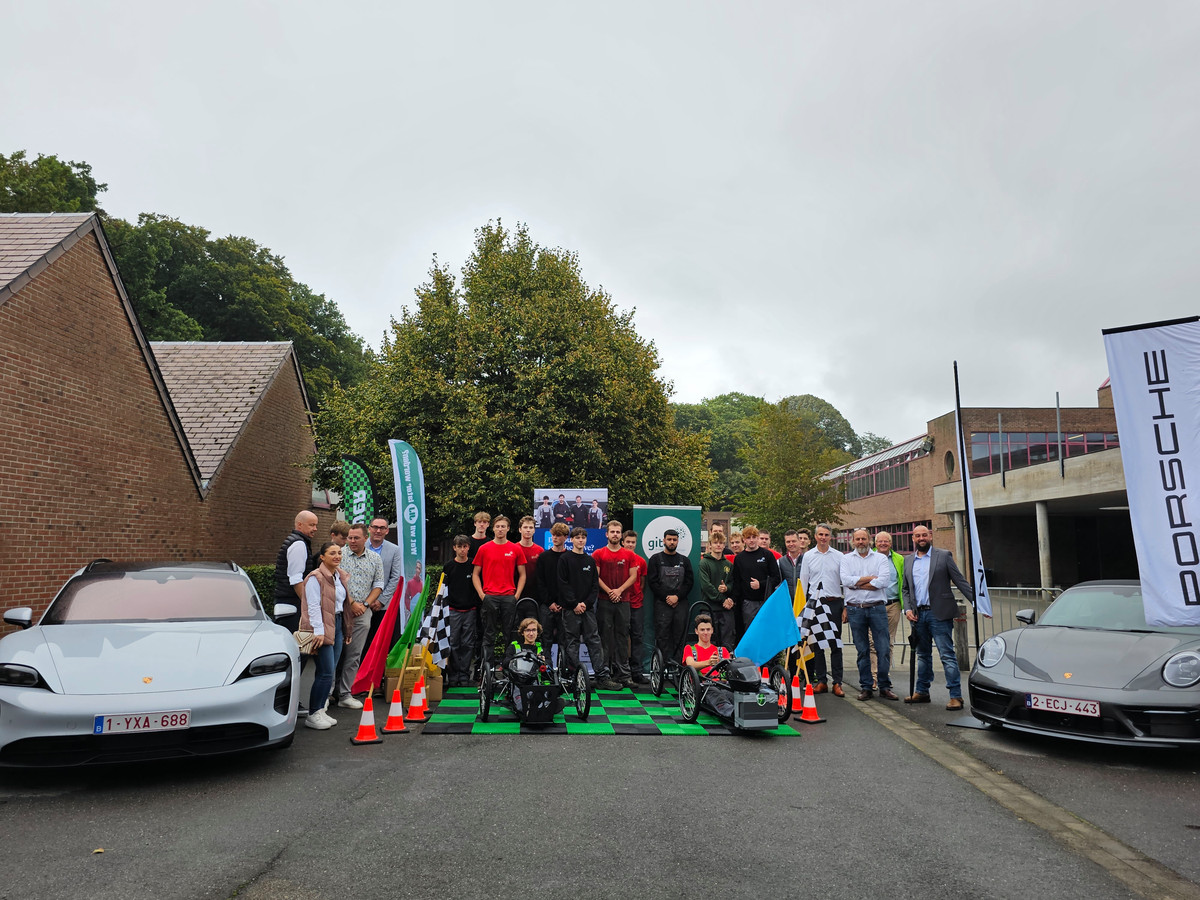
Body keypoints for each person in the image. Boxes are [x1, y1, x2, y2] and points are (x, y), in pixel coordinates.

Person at [902, 525, 974, 710]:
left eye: (924, 535)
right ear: (913, 539)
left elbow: (960, 581)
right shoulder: (908, 560)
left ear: (930, 536)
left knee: (947, 655)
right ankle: (922, 691)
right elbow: (905, 589)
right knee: (923, 656)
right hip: (918, 616)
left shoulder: (943, 556)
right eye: (917, 536)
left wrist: (979, 603)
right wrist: (907, 609)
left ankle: (956, 696)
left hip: (939, 613)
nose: (921, 538)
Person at [558, 527, 622, 691]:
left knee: (594, 641)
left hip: (587, 610)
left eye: (583, 537)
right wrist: (574, 604)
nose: (580, 540)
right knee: (571, 642)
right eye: (577, 537)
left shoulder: (589, 560)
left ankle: (602, 677)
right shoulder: (565, 559)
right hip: (570, 609)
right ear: (571, 540)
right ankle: (574, 677)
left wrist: (586, 603)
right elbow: (563, 585)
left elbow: (595, 586)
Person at [300, 541, 353, 730]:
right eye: (332, 553)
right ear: (322, 557)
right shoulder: (316, 577)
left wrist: (346, 630)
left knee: (328, 672)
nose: (337, 556)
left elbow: (343, 605)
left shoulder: (339, 576)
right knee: (325, 672)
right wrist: (319, 632)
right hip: (322, 628)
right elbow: (313, 606)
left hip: (337, 625)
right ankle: (313, 713)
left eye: (339, 552)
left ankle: (321, 710)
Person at [840, 528, 898, 701]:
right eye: (857, 539)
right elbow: (845, 581)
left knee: (883, 648)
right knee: (862, 650)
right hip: (855, 609)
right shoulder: (846, 559)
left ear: (869, 540)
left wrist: (857, 583)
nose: (860, 542)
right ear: (852, 541)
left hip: (876, 608)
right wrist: (869, 579)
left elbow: (884, 582)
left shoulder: (880, 558)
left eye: (863, 539)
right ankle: (866, 686)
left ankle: (884, 686)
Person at [334, 523, 384, 709]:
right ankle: (328, 694)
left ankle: (345, 694)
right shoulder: (338, 554)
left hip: (363, 612)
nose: (352, 541)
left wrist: (363, 604)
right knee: (335, 654)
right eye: (350, 538)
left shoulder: (375, 558)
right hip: (339, 610)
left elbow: (378, 584)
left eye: (356, 538)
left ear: (365, 538)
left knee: (354, 654)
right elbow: (334, 582)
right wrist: (351, 603)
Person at [799, 523, 846, 697]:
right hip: (815, 604)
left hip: (834, 603)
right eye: (820, 534)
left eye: (826, 535)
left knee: (835, 644)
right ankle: (821, 681)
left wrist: (845, 606)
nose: (823, 537)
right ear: (816, 536)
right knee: (817, 643)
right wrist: (804, 607)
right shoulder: (808, 556)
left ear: (830, 537)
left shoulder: (840, 556)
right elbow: (804, 582)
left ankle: (837, 682)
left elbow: (845, 582)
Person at [473, 515, 526, 665]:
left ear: (508, 528)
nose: (500, 529)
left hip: (509, 597)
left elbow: (523, 575)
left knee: (510, 636)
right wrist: (482, 595)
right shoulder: (484, 549)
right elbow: (475, 574)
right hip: (490, 597)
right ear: (493, 528)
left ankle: (509, 667)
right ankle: (487, 670)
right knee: (488, 635)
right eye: (498, 526)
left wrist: (516, 596)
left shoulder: (515, 549)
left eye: (503, 526)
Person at [593, 520, 637, 687]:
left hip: (623, 601)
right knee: (604, 638)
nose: (615, 534)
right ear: (607, 534)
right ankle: (604, 674)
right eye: (612, 532)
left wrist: (619, 590)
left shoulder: (629, 555)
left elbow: (633, 576)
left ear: (621, 534)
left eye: (618, 532)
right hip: (604, 601)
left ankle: (624, 675)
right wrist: (610, 591)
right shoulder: (598, 553)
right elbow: (595, 577)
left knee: (622, 637)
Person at [363, 516, 404, 676]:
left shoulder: (394, 550)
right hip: (361, 606)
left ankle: (377, 680)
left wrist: (380, 600)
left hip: (382, 606)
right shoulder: (359, 546)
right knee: (362, 644)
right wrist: (365, 601)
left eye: (382, 528)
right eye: (375, 527)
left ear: (387, 530)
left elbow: (395, 578)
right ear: (369, 529)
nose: (378, 531)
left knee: (380, 645)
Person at [646, 528, 695, 660]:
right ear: (664, 541)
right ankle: (664, 667)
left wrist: (677, 597)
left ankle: (679, 666)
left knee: (680, 636)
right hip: (662, 604)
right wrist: (667, 597)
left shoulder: (685, 561)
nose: (672, 542)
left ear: (678, 541)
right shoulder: (655, 560)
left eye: (674, 540)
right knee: (662, 636)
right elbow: (653, 582)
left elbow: (689, 582)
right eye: (669, 539)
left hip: (681, 604)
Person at [869, 531, 905, 690]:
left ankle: (885, 675)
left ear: (891, 543)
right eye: (880, 541)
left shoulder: (899, 559)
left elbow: (903, 580)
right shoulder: (870, 558)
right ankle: (874, 676)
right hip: (874, 604)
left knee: (888, 641)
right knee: (872, 642)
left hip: (893, 604)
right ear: (875, 543)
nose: (883, 544)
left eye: (886, 541)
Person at [274, 510, 319, 635]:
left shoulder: (297, 541)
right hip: (292, 605)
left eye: (316, 525)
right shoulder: (299, 544)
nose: (315, 529)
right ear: (299, 525)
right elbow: (296, 579)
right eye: (311, 525)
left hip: (288, 603)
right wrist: (309, 606)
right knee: (297, 646)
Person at [442, 535, 478, 687]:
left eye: (465, 547)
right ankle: (453, 674)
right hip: (453, 609)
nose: (463, 550)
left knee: (468, 643)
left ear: (469, 547)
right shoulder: (449, 566)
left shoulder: (473, 565)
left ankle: (464, 674)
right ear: (454, 548)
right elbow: (443, 589)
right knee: (453, 643)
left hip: (470, 609)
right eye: (460, 547)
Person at [682, 613, 734, 717]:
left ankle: (748, 709)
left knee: (734, 695)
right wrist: (709, 662)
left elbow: (730, 669)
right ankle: (733, 713)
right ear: (696, 631)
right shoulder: (690, 649)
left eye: (708, 629)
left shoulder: (722, 650)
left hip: (723, 683)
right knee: (718, 696)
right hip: (704, 685)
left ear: (712, 630)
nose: (705, 633)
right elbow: (690, 665)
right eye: (702, 630)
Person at [729, 525, 779, 632]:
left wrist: (761, 584)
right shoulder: (739, 558)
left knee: (766, 631)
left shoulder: (767, 555)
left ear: (757, 538)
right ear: (744, 540)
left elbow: (776, 578)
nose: (751, 540)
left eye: (754, 537)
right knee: (750, 632)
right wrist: (732, 599)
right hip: (748, 603)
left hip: (766, 601)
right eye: (748, 538)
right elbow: (736, 582)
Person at [504, 618, 557, 714]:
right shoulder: (514, 647)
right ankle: (526, 708)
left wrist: (544, 662)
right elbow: (505, 662)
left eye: (534, 630)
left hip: (537, 681)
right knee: (522, 703)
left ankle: (544, 706)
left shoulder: (542, 649)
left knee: (540, 695)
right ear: (522, 632)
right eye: (528, 630)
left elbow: (550, 666)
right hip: (518, 682)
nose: (531, 634)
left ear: (538, 632)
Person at [536, 522, 571, 661]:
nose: (555, 538)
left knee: (565, 640)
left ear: (566, 538)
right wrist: (549, 602)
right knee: (546, 639)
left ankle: (564, 671)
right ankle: (547, 671)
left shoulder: (569, 557)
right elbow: (540, 582)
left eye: (558, 535)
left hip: (565, 605)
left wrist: (564, 602)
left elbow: (571, 583)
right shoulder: (544, 557)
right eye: (553, 535)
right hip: (546, 605)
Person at [699, 531, 736, 649]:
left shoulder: (728, 564)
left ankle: (727, 666)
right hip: (709, 609)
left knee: (727, 644)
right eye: (715, 543)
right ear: (710, 545)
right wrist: (722, 600)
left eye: (721, 543)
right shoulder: (704, 563)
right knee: (709, 643)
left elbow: (732, 583)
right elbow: (706, 586)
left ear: (724, 545)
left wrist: (727, 588)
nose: (718, 545)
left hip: (726, 611)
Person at [621, 530, 649, 683]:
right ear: (622, 542)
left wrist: (637, 595)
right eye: (628, 542)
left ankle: (636, 672)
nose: (630, 545)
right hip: (620, 604)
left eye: (633, 542)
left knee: (637, 638)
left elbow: (642, 583)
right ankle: (620, 672)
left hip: (636, 604)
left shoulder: (641, 561)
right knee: (620, 639)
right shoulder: (618, 558)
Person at [516, 516, 543, 604]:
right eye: (525, 527)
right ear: (520, 530)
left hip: (535, 594)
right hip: (515, 593)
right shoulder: (513, 548)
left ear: (534, 530)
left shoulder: (540, 550)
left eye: (531, 527)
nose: (528, 530)